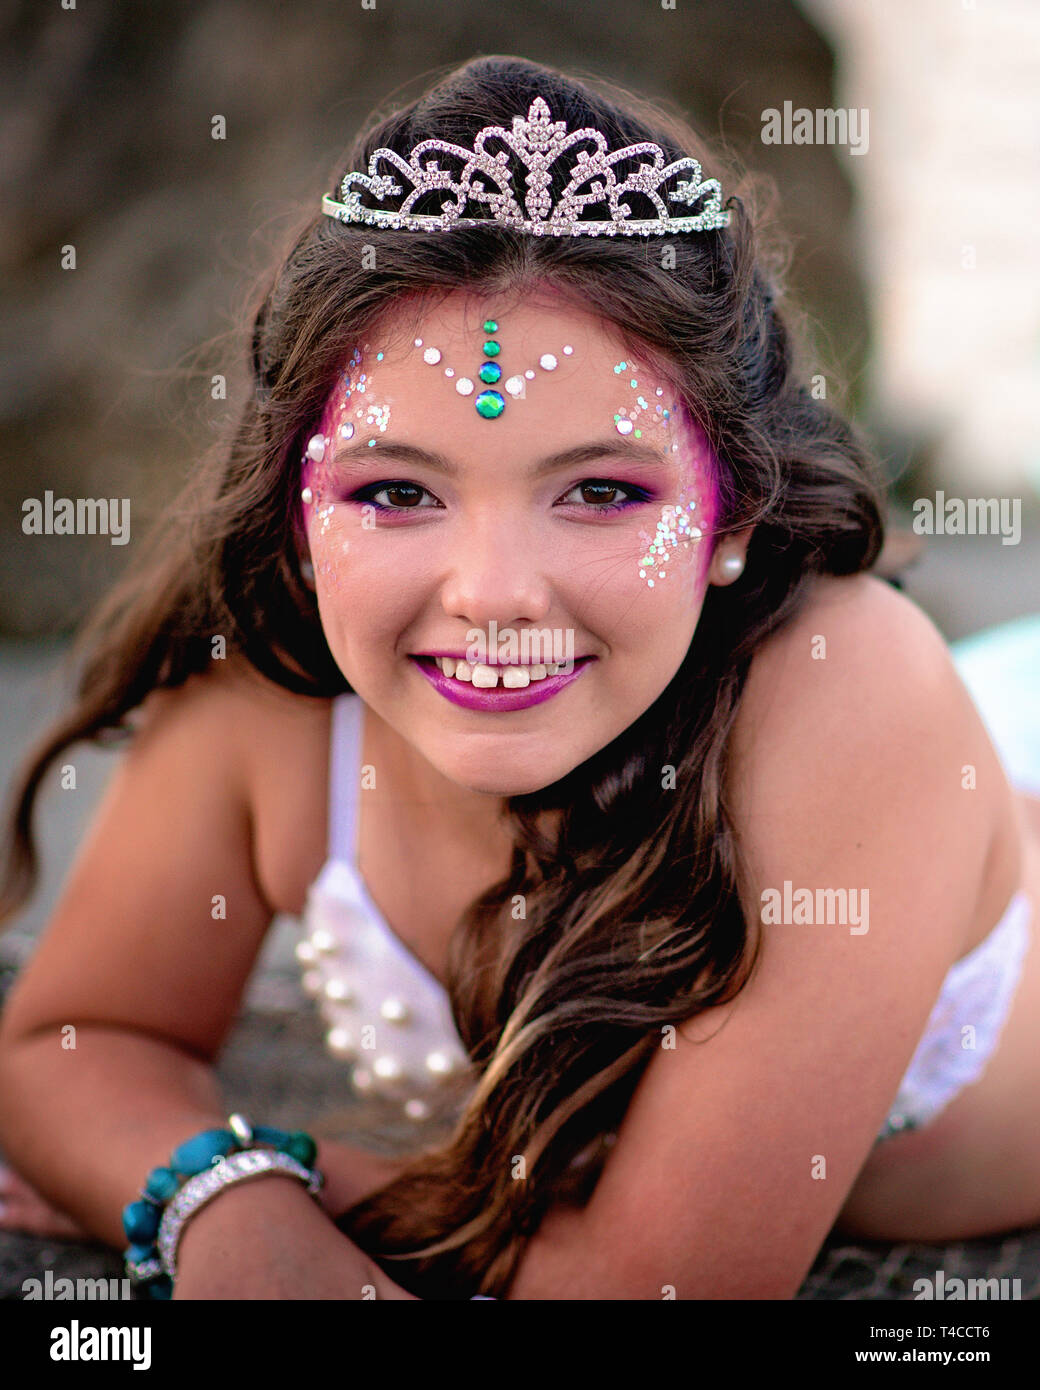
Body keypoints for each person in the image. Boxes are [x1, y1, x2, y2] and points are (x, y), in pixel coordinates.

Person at [1, 54, 1038, 1302]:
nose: (492, 591)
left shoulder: (849, 693)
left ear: (732, 518)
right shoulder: (271, 694)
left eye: (602, 491)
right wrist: (229, 1214)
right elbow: (81, 1037)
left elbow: (653, 1283)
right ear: (294, 513)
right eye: (395, 491)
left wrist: (284, 1172)